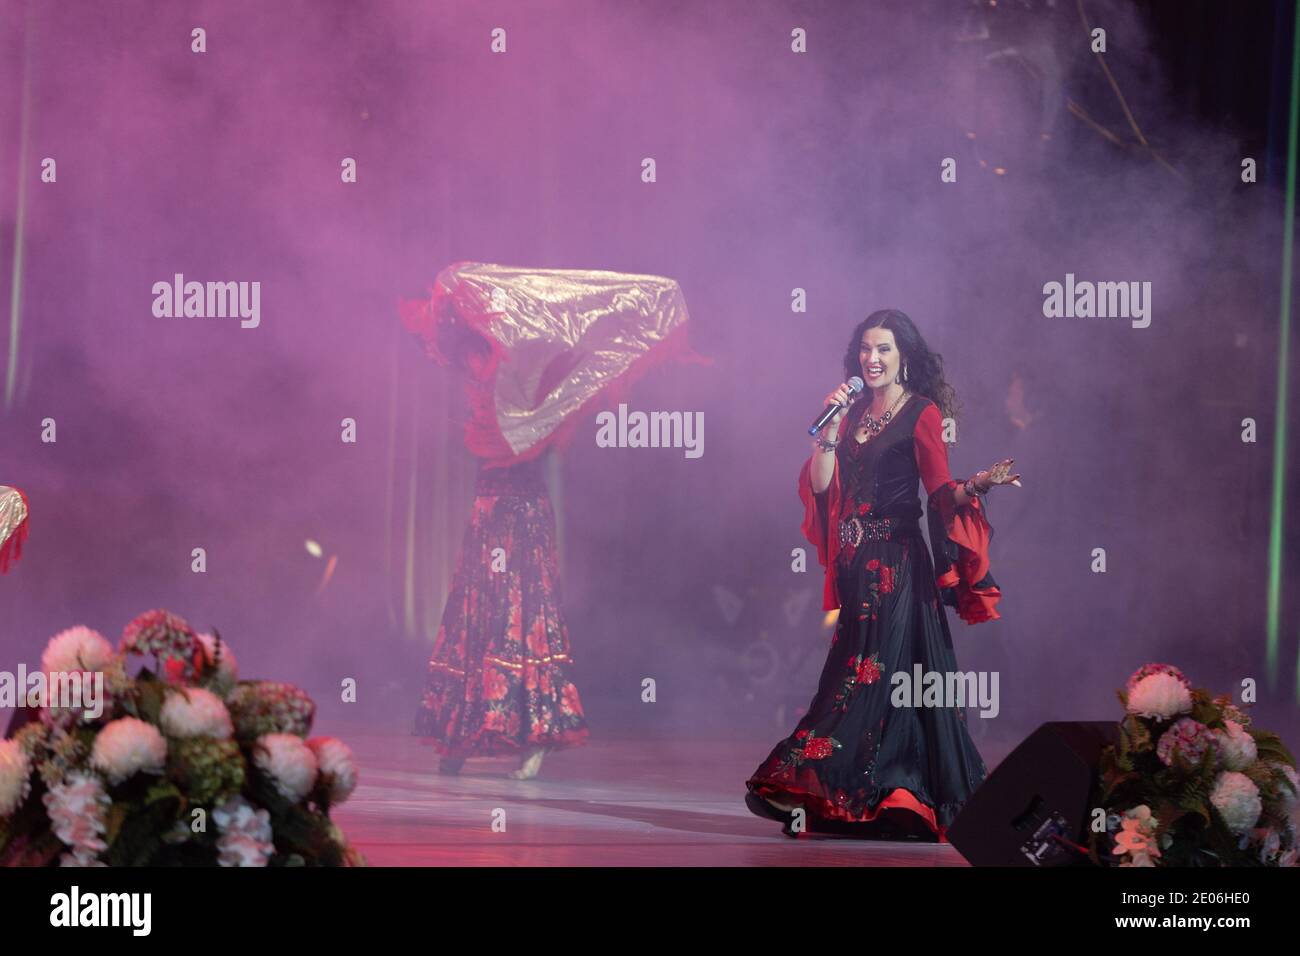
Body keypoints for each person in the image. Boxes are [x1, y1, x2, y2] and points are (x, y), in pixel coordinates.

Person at [745, 308, 1020, 841]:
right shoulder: (849, 413)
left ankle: (874, 793)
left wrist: (979, 485)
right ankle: (873, 797)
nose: (872, 358)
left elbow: (940, 493)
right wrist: (827, 433)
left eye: (884, 349)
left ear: (904, 357)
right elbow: (822, 487)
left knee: (868, 679)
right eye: (866, 349)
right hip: (856, 568)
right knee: (862, 676)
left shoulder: (921, 413)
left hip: (896, 566)